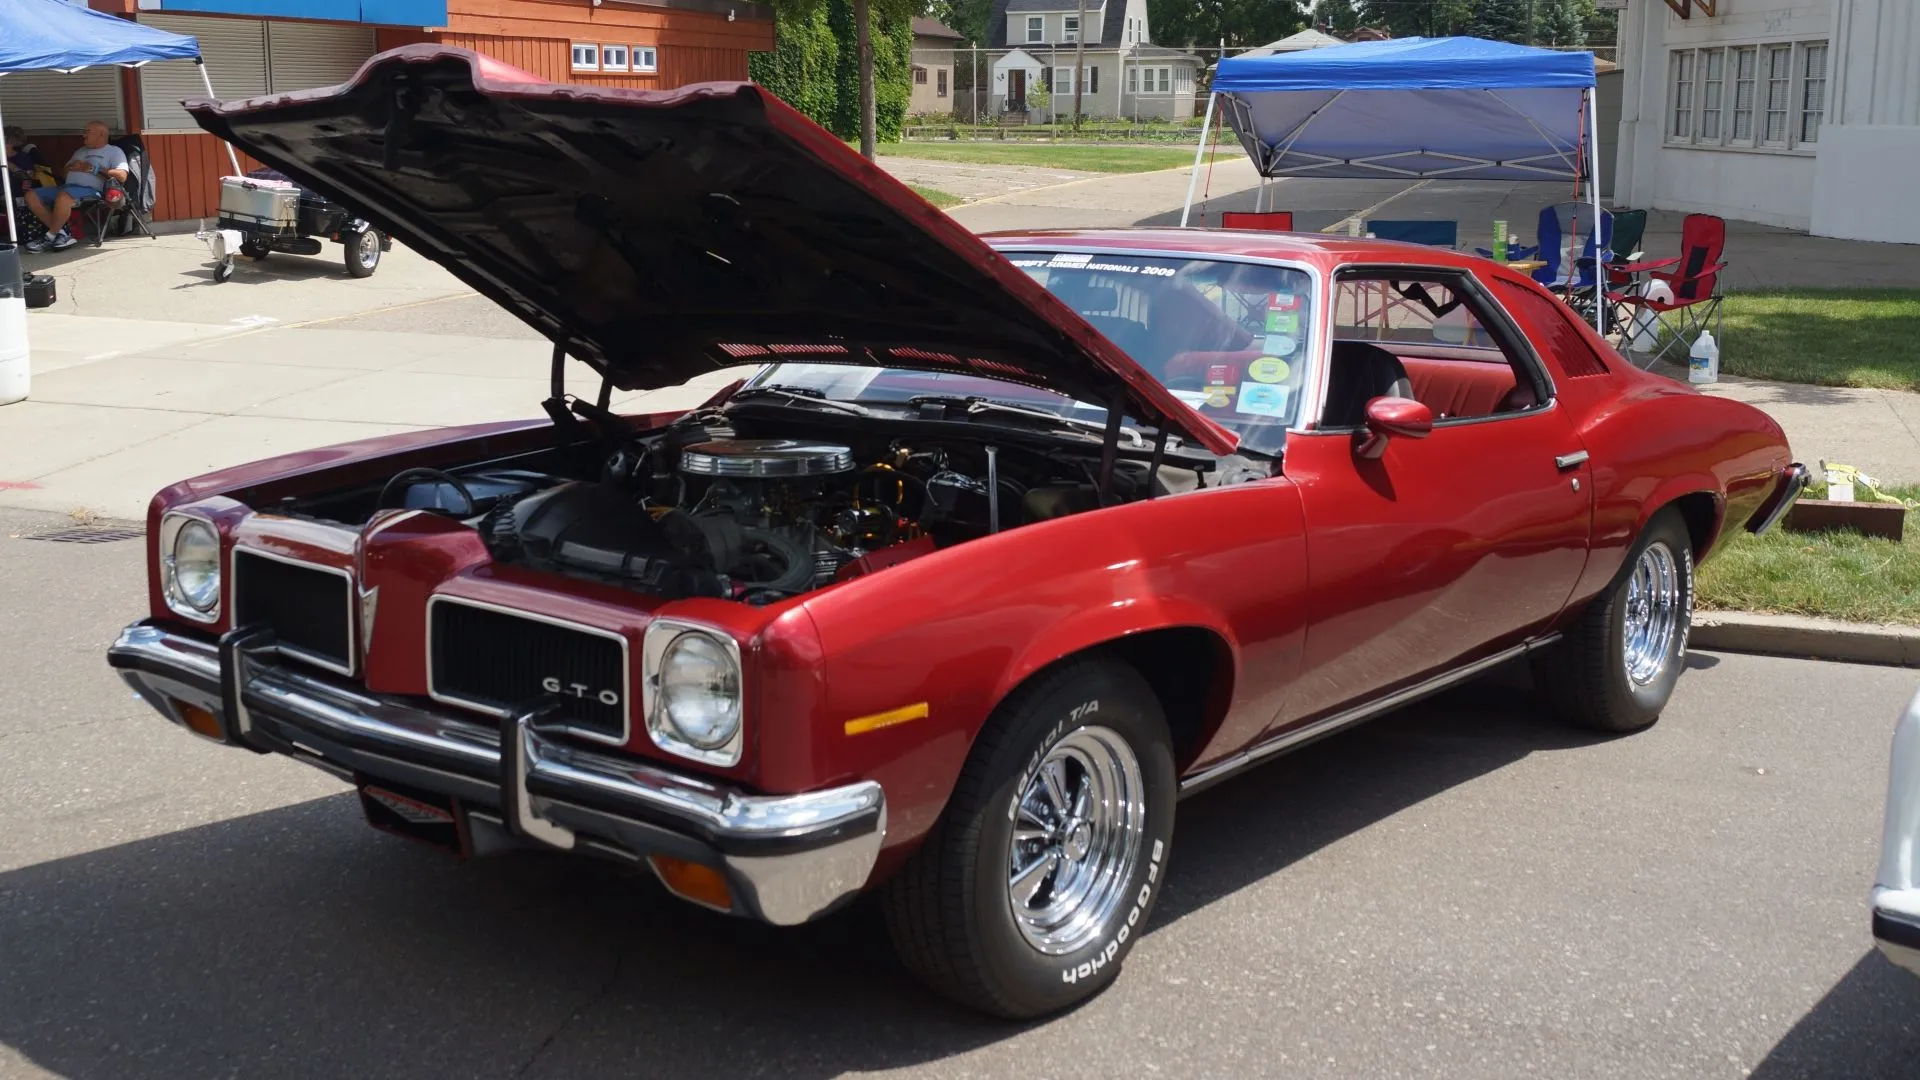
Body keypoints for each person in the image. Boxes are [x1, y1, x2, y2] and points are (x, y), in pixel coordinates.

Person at [23, 121, 128, 253]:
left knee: (64, 196)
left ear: (101, 134)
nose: (84, 135)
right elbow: (63, 173)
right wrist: (70, 168)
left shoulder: (114, 151)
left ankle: (49, 237)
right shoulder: (81, 151)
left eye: (87, 132)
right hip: (67, 187)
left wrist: (92, 169)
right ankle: (61, 234)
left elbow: (122, 176)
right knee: (31, 195)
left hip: (91, 191)